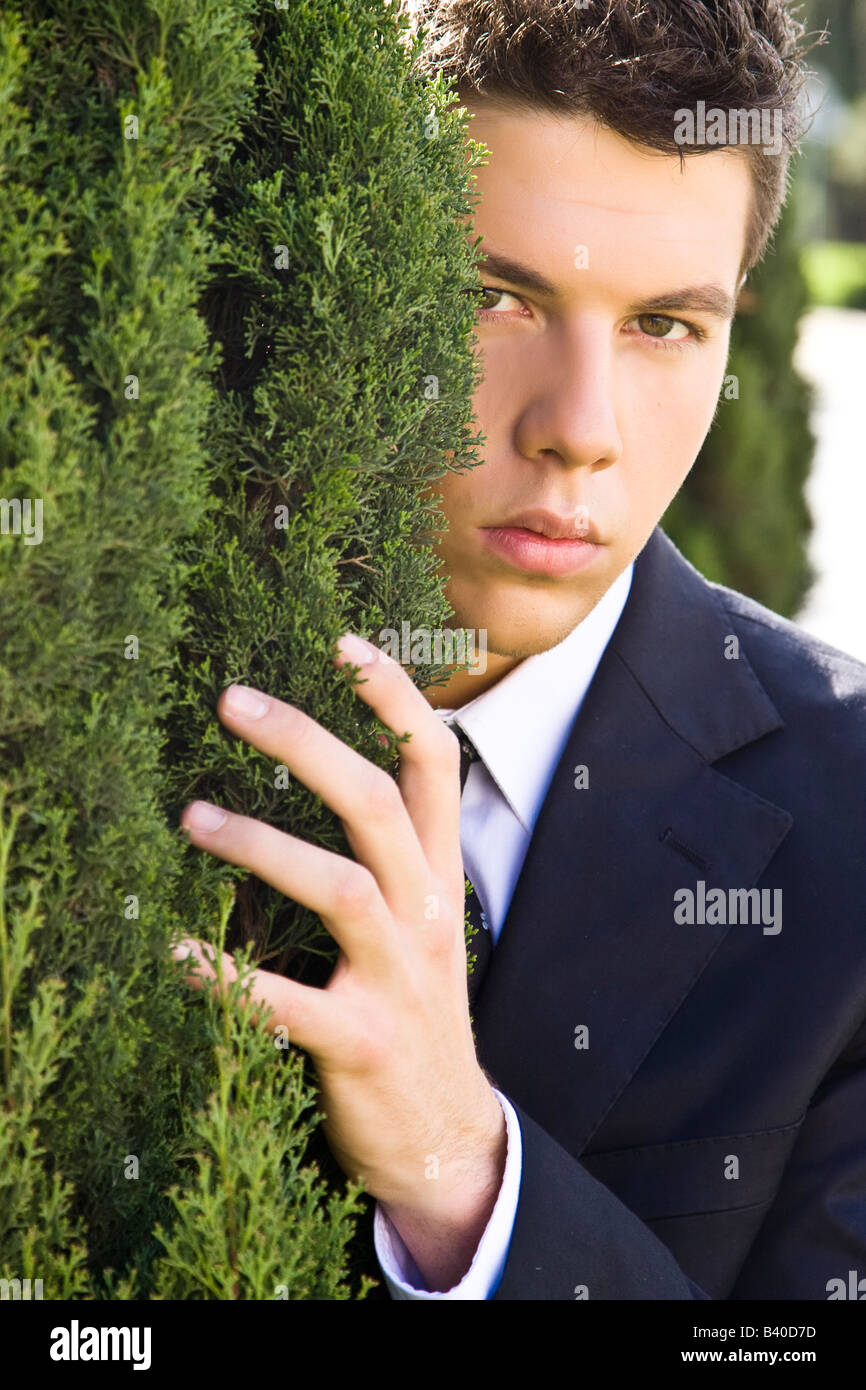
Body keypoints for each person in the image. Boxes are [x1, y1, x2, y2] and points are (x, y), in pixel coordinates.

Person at [174, 1, 866, 1299]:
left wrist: (465, 1177)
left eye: (664, 325)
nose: (579, 429)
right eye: (490, 297)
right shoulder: (96, 692)